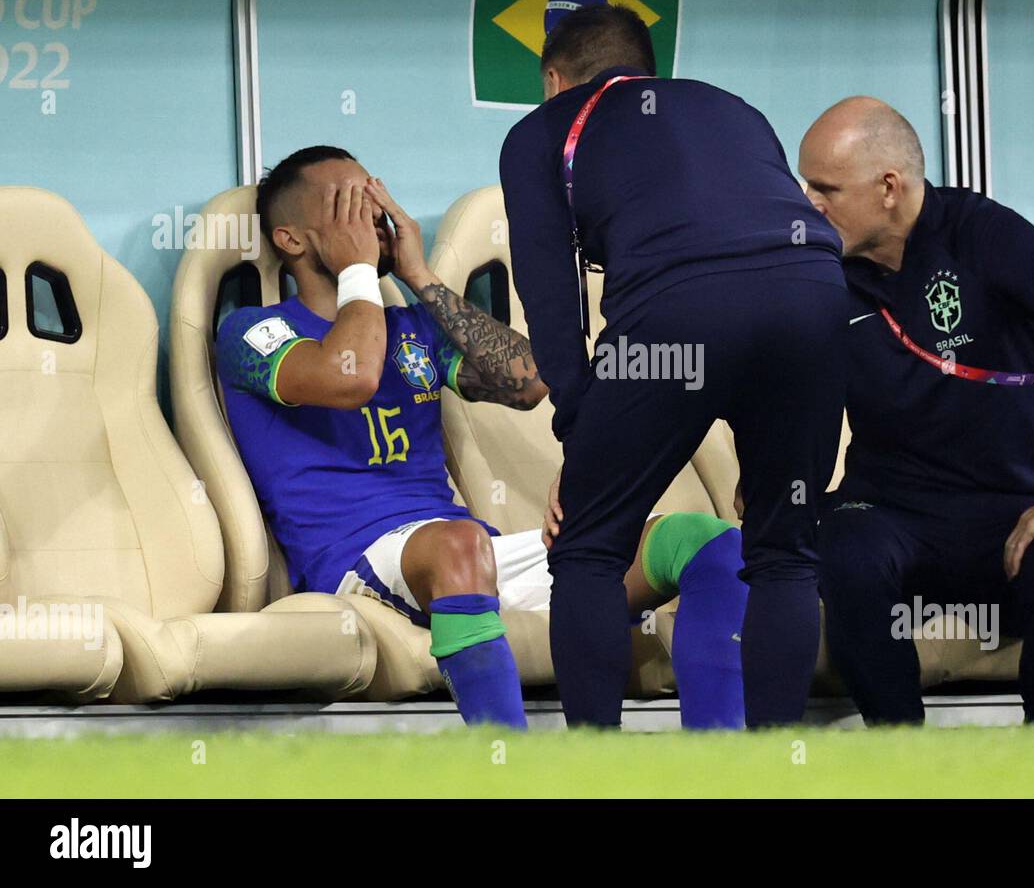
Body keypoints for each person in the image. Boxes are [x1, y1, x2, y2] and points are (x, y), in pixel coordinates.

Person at [215, 145, 750, 729]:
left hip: (466, 557)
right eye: (344, 203)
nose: (368, 215)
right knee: (459, 544)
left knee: (703, 541)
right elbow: (353, 376)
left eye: (371, 195)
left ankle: (720, 769)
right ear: (291, 240)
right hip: (357, 563)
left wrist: (420, 278)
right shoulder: (254, 331)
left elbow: (528, 382)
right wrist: (360, 274)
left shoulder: (412, 326)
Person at [499, 4, 848, 728]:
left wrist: (581, 433)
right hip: (813, 295)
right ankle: (775, 771)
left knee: (590, 547)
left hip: (676, 312)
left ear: (555, 79)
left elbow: (552, 301)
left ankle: (595, 777)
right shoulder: (733, 109)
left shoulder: (544, 128)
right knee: (785, 551)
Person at [798, 97, 1034, 724]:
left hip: (1016, 513)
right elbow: (772, 374)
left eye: (826, 188)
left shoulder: (981, 233)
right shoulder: (817, 269)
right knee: (848, 553)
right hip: (891, 511)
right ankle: (904, 766)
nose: (809, 203)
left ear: (888, 187)